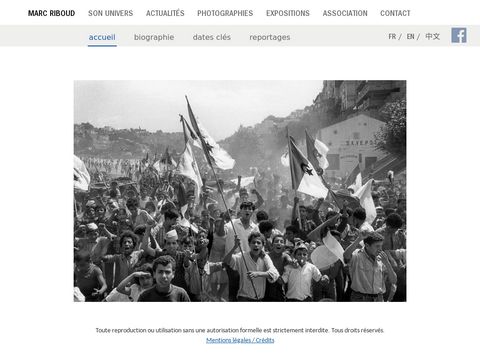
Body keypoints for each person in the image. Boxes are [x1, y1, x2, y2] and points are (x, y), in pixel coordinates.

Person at [223, 232, 279, 301]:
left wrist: (258, 274)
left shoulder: (265, 257)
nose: (256, 245)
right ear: (249, 244)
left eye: (258, 243)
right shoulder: (242, 256)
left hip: (259, 299)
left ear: (262, 246)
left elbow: (275, 274)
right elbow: (226, 262)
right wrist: (234, 247)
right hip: (243, 298)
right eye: (253, 242)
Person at [343, 231, 397, 302]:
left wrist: (387, 263)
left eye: (381, 246)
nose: (380, 249)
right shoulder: (357, 255)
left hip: (379, 298)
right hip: (360, 299)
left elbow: (394, 281)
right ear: (367, 246)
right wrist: (359, 239)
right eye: (377, 246)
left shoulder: (382, 258)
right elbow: (346, 255)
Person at [264, 235, 292, 301]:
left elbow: (290, 261)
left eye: (281, 242)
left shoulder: (285, 256)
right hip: (266, 285)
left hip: (279, 286)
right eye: (276, 241)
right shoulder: (266, 256)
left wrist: (293, 262)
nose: (279, 243)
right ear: (272, 245)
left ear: (284, 246)